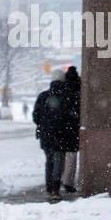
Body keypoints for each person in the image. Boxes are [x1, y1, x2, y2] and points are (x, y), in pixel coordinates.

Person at [32, 72, 70, 202]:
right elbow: (70, 116)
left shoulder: (43, 96)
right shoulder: (66, 96)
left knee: (49, 160)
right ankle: (55, 189)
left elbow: (36, 115)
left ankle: (49, 187)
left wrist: (43, 125)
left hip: (46, 134)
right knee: (58, 160)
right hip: (61, 133)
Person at [61, 65, 81, 194]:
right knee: (72, 156)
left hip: (62, 127)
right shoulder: (79, 88)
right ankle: (68, 181)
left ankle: (61, 178)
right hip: (74, 127)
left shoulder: (63, 88)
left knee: (61, 155)